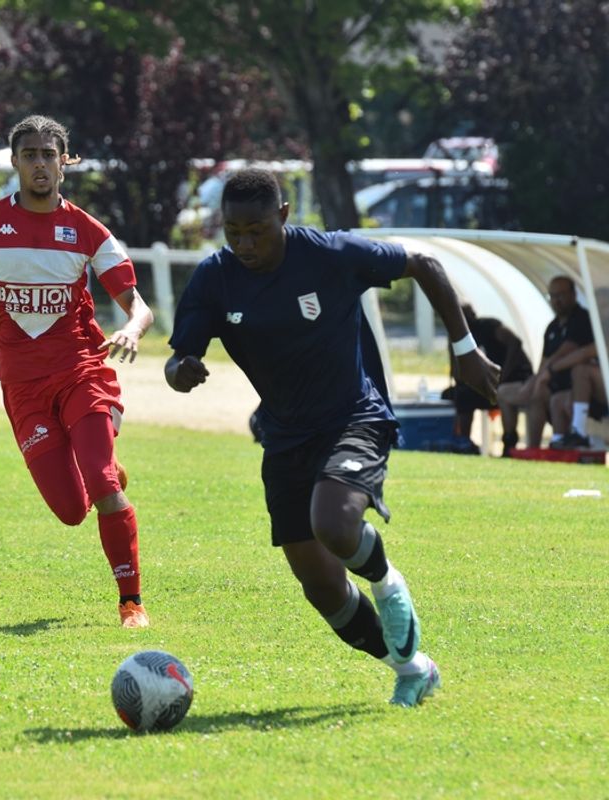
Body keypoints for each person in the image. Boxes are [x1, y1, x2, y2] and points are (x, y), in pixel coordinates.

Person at [165, 168, 500, 707]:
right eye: (233, 231)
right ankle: (411, 665)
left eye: (257, 230)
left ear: (284, 215)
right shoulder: (215, 278)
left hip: (354, 417)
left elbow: (425, 264)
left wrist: (465, 351)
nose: (245, 243)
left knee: (335, 523)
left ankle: (387, 582)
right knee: (322, 589)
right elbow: (182, 357)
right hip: (284, 437)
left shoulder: (331, 254)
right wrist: (181, 369)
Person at [0, 114, 155, 628]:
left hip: (81, 372)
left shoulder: (87, 230)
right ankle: (105, 469)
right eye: (30, 155)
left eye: (49, 155)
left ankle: (130, 601)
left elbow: (137, 303)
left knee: (103, 485)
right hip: (22, 389)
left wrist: (132, 330)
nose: (40, 164)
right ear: (15, 162)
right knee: (72, 510)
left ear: (63, 163)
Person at [496, 275, 594, 448]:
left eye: (561, 295)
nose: (557, 301)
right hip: (550, 382)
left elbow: (568, 351)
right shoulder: (552, 327)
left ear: (573, 294)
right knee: (504, 391)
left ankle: (538, 447)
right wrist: (536, 378)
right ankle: (510, 443)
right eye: (553, 296)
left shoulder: (582, 319)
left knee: (538, 394)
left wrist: (543, 376)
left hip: (571, 385)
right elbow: (545, 359)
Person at [443, 303, 533, 455]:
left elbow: (514, 343)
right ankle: (463, 442)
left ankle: (509, 443)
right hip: (486, 384)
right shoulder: (456, 337)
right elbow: (457, 372)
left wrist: (504, 375)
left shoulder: (487, 327)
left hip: (513, 379)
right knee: (461, 394)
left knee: (503, 393)